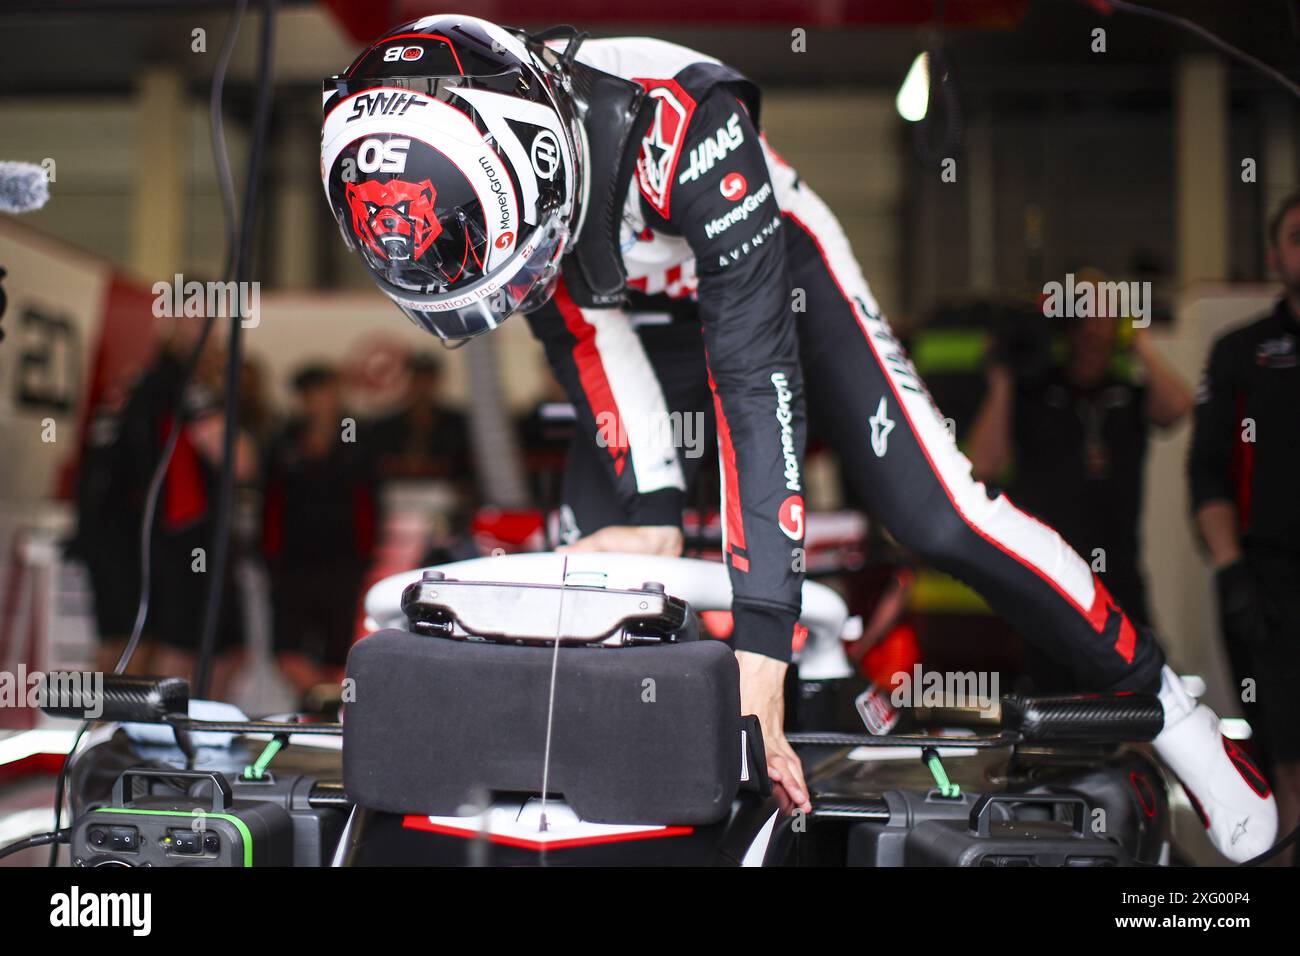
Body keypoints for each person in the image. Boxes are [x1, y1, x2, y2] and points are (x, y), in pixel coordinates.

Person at [319, 15, 1276, 859]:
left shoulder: (688, 121)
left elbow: (754, 377)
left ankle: (1180, 719)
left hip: (777, 283)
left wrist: (765, 641)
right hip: (635, 321)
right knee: (597, 555)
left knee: (937, 514)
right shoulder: (519, 208)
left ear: (544, 159)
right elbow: (574, 328)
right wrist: (652, 506)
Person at [969, 292, 1194, 633]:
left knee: (1138, 679)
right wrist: (1004, 376)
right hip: (1048, 585)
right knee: (1053, 683)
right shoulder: (1035, 395)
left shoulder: (1127, 393)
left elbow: (1177, 407)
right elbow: (984, 463)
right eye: (1081, 319)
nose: (1091, 331)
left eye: (1103, 320)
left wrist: (1139, 342)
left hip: (1120, 581)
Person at [1188, 191, 1300, 863]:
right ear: (1274, 254)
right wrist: (1233, 574)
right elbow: (1206, 475)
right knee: (1286, 754)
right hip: (1269, 583)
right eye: (1296, 236)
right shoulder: (1242, 353)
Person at [115, 318, 255, 699]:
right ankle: (169, 741)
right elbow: (241, 461)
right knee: (182, 647)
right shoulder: (180, 382)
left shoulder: (158, 381)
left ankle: (196, 736)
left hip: (188, 533)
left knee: (225, 649)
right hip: (180, 536)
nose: (209, 335)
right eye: (197, 323)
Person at [261, 364, 378, 701]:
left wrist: (363, 554)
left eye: (326, 393)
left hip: (342, 561)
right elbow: (270, 505)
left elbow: (369, 501)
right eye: (312, 394)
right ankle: (313, 698)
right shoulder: (283, 441)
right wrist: (269, 555)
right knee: (286, 646)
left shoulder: (355, 437)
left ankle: (326, 706)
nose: (321, 402)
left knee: (338, 644)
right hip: (292, 562)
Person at [368, 352, 473, 485]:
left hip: (447, 493)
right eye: (417, 379)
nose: (422, 386)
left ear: (436, 381)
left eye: (428, 379)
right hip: (397, 493)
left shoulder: (458, 423)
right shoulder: (385, 426)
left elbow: (465, 465)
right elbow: (376, 464)